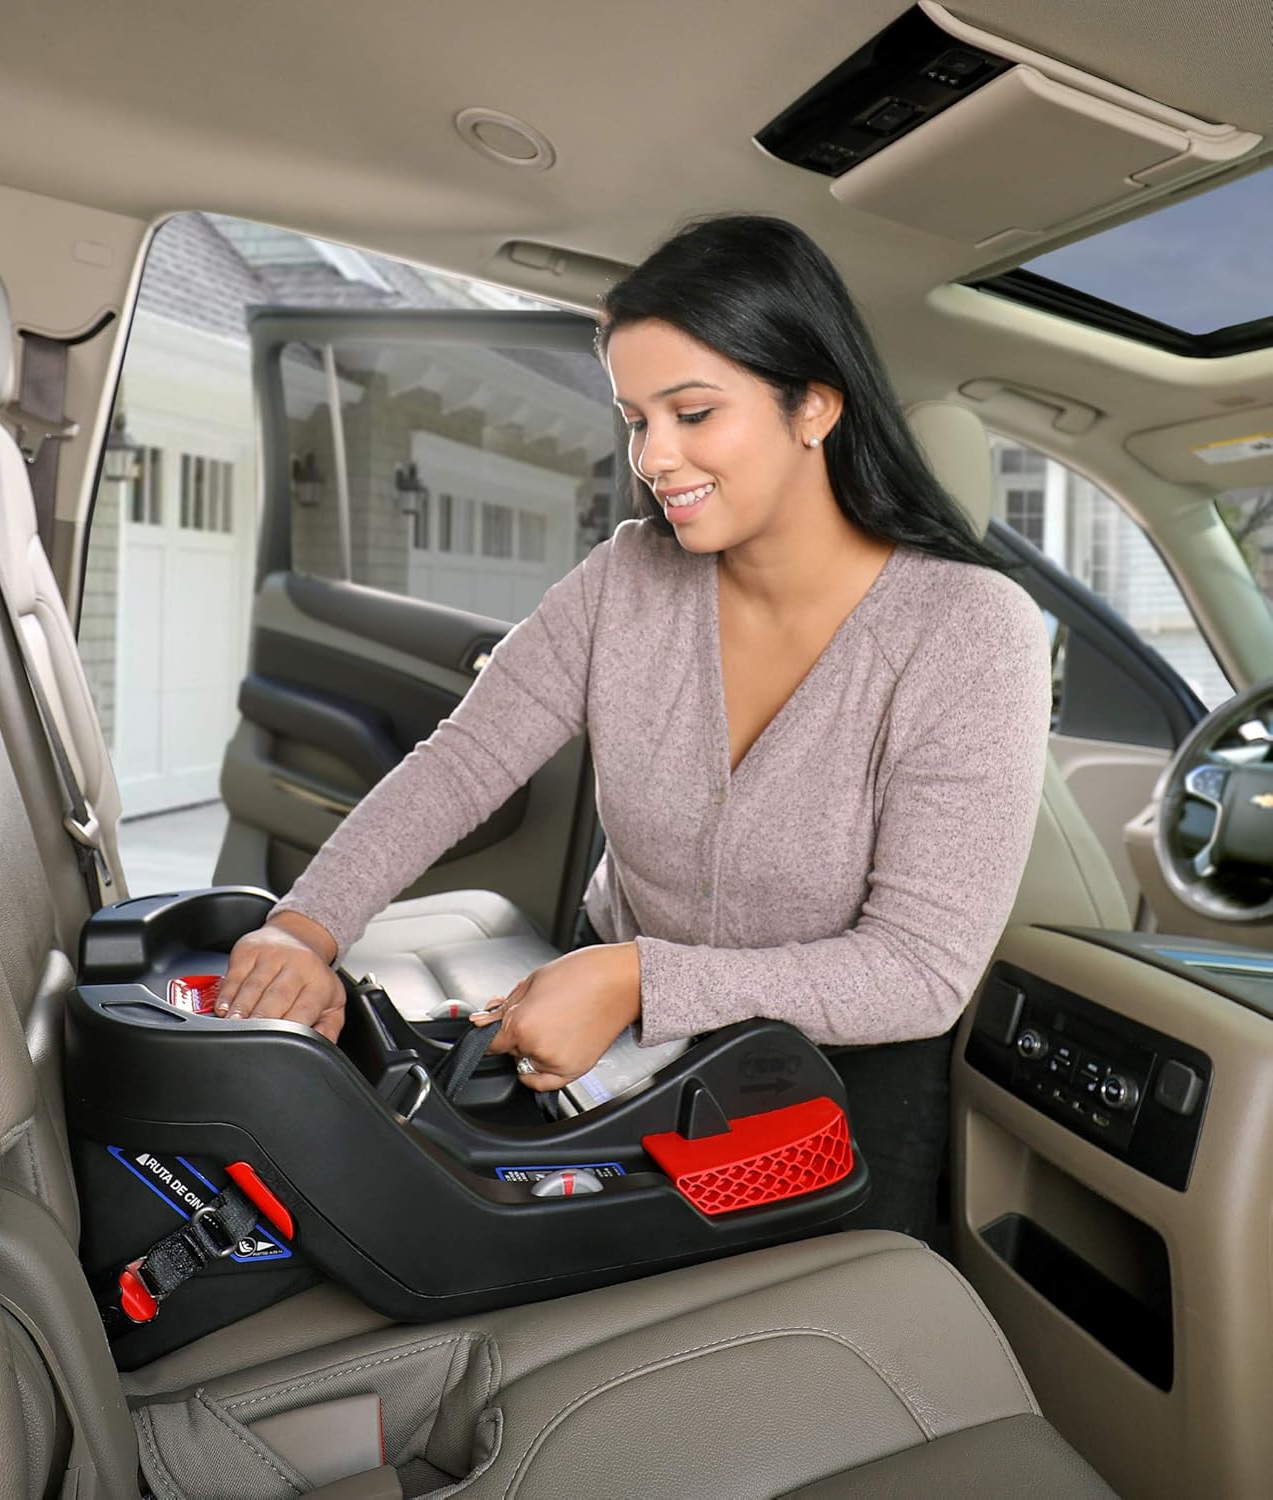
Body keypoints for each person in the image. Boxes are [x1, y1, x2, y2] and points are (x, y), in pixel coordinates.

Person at [213, 214, 1052, 1238]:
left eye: (693, 413)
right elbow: (463, 762)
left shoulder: (970, 633)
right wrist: (305, 926)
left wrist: (642, 980)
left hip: (827, 1093)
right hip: (616, 1058)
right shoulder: (627, 578)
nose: (655, 457)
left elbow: (918, 971)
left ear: (814, 407)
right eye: (635, 418)